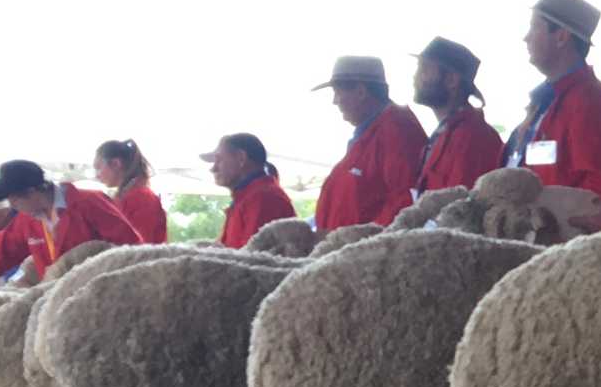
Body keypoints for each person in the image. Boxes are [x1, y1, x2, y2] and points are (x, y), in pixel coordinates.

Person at [503, 0, 601, 203]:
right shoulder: (544, 104)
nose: (526, 37)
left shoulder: (594, 104)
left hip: (556, 235)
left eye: (535, 27)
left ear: (561, 36)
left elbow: (598, 195)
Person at [312, 55, 430, 231]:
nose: (335, 101)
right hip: (345, 251)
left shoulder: (398, 130)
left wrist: (364, 244)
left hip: (367, 253)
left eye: (338, 92)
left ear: (360, 92)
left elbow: (405, 201)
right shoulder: (372, 132)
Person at [0, 159, 140, 279]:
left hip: (97, 294)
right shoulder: (28, 220)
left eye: (14, 199)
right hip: (56, 297)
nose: (12, 205)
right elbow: (0, 252)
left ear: (32, 192)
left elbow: (130, 247)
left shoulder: (89, 203)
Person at [411, 36, 502, 195]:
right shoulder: (446, 134)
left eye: (425, 69)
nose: (415, 77)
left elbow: (463, 211)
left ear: (452, 80)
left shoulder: (473, 138)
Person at [208, 133, 298, 250]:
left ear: (241, 158)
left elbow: (253, 260)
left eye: (219, 160)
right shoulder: (248, 197)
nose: (213, 168)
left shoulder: (263, 198)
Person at [94, 140, 166, 243]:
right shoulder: (128, 196)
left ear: (115, 164)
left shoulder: (141, 198)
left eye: (98, 168)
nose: (97, 175)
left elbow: (139, 246)